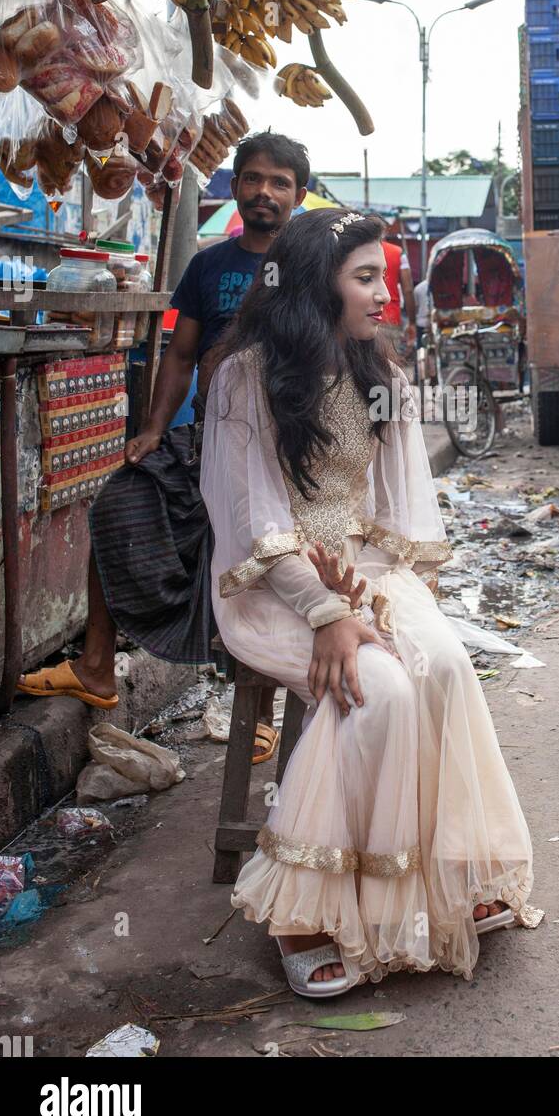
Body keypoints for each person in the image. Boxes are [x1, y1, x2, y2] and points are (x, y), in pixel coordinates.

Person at [199, 208, 534, 996]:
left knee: (446, 664)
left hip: (366, 567)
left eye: (386, 274)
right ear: (318, 285)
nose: (389, 292)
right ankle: (306, 914)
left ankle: (449, 872)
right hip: (275, 586)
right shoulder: (244, 378)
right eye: (366, 277)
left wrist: (399, 600)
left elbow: (397, 507)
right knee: (376, 689)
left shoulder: (380, 375)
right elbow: (257, 522)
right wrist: (329, 612)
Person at [18, 134, 310, 764]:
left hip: (279, 453)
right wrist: (152, 429)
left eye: (280, 182)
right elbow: (178, 354)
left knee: (254, 567)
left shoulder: (313, 266)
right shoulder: (208, 266)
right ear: (235, 188)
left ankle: (257, 709)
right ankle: (96, 666)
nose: (265, 191)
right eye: (253, 178)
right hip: (207, 441)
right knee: (118, 502)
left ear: (298, 194)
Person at [381, 216, 416, 362]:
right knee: (389, 366)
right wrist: (412, 321)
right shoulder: (398, 253)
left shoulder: (356, 251)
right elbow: (408, 289)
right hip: (390, 318)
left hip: (360, 318)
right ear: (385, 231)